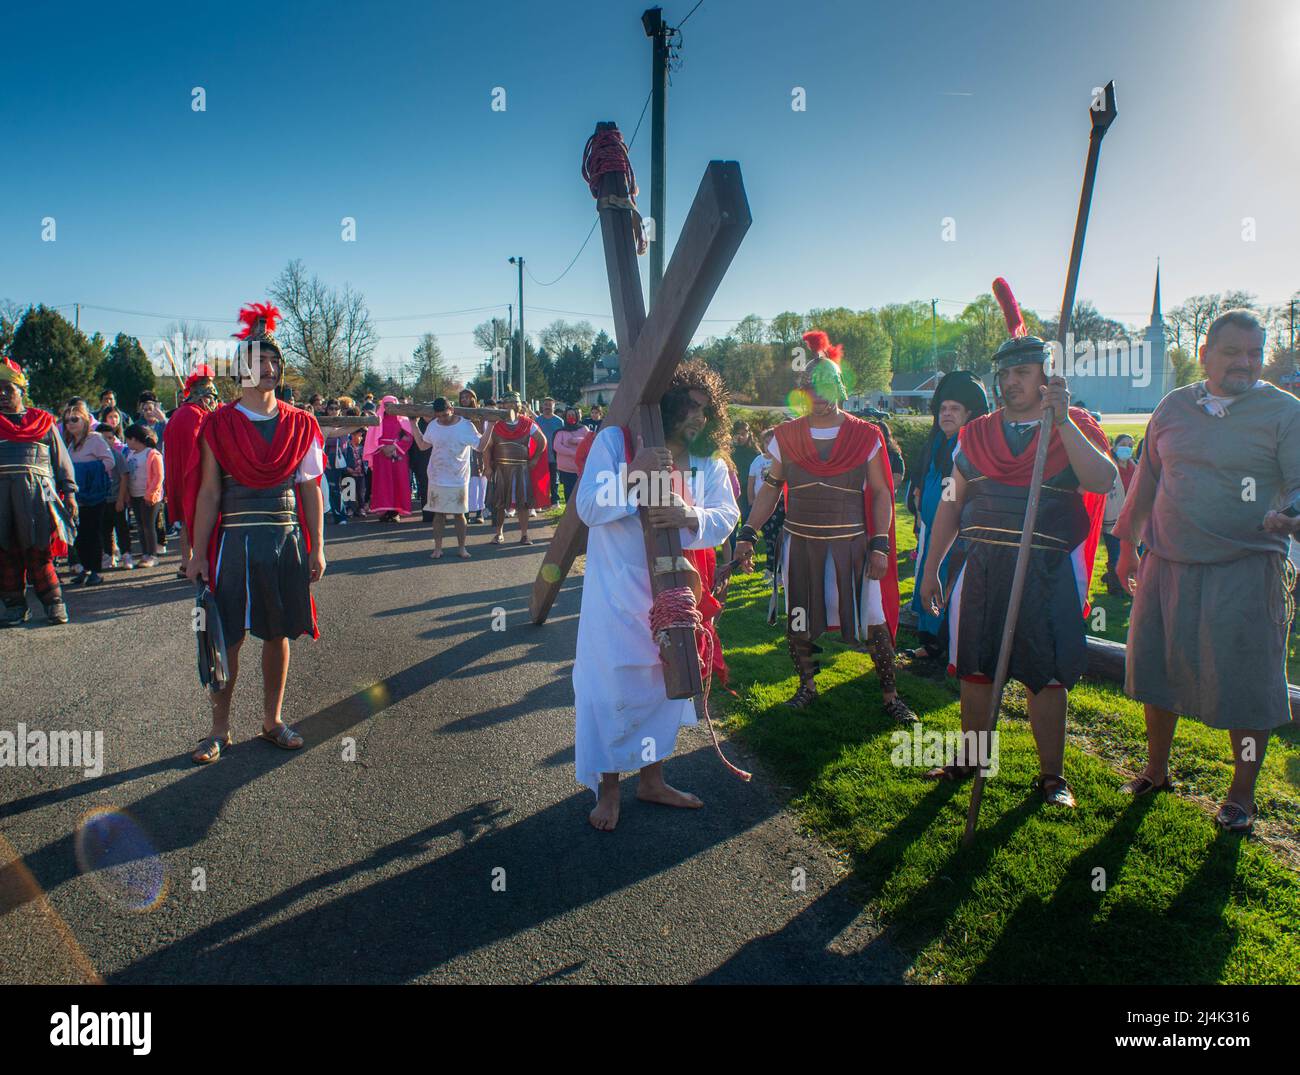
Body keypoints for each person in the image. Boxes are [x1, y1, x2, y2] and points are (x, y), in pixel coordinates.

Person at [919, 281, 1115, 807]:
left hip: (1045, 570)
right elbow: (951, 505)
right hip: (980, 565)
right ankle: (970, 758)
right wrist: (933, 566)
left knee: (1046, 677)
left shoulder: (1074, 428)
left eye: (1022, 372)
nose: (1010, 382)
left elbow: (1101, 480)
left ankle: (1053, 778)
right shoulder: (975, 435)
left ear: (1046, 377)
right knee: (975, 670)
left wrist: (1064, 419)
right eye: (1004, 373)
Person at [1114, 310, 1300, 832]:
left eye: (1255, 353)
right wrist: (1128, 545)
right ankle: (1156, 770)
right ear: (1204, 355)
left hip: (1246, 565)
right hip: (1167, 560)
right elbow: (1147, 479)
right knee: (1156, 668)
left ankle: (1241, 795)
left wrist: (1292, 515)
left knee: (1247, 683)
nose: (1246, 362)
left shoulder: (1284, 414)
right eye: (1232, 351)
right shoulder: (1174, 406)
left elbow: (1298, 485)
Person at [574, 360, 739, 831]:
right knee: (610, 686)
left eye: (707, 411)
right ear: (665, 405)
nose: (697, 418)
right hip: (613, 589)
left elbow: (725, 514)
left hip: (671, 589)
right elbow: (587, 507)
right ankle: (608, 789)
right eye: (689, 407)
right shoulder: (616, 442)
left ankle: (652, 779)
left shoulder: (707, 460)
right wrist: (634, 475)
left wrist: (688, 516)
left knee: (661, 682)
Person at [735, 331, 914, 722]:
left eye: (826, 383)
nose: (818, 392)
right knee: (799, 620)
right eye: (810, 385)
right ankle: (807, 687)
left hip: (853, 545)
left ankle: (890, 696)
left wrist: (881, 544)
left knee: (874, 620)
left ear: (839, 386)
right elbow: (771, 488)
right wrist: (747, 532)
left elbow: (882, 492)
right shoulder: (786, 437)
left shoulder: (866, 435)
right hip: (799, 544)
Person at [184, 302, 325, 764]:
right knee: (227, 638)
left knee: (278, 632)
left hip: (284, 541)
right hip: (234, 543)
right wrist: (197, 553)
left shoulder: (302, 424)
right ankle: (218, 731)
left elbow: (310, 491)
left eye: (273, 362)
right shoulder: (217, 424)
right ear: (239, 373)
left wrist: (317, 547)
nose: (268, 369)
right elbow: (208, 494)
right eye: (258, 363)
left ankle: (272, 721)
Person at [904, 371, 989, 660]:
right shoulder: (937, 443)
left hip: (959, 539)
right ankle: (930, 642)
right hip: (932, 532)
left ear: (969, 413)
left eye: (954, 409)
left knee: (951, 588)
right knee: (928, 579)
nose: (947, 414)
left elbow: (954, 496)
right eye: (943, 408)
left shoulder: (971, 447)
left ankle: (947, 645)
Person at [0, 357, 77, 625]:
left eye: (8, 389)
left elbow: (62, 462)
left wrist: (69, 493)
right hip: (1, 501)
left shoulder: (42, 423)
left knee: (39, 552)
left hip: (37, 500)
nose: (2, 395)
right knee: (5, 554)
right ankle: (14, 606)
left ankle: (54, 603)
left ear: (21, 391)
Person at [164, 365, 219, 577]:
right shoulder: (196, 416)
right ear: (204, 397)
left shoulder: (179, 415)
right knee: (198, 518)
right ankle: (199, 561)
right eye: (211, 397)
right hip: (196, 477)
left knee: (187, 520)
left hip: (181, 478)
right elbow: (203, 451)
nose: (214, 403)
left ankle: (185, 562)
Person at [410, 397, 481, 559]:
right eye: (439, 416)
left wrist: (491, 426)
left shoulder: (465, 426)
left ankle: (462, 548)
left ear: (452, 410)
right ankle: (438, 548)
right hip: (437, 476)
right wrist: (413, 424)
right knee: (439, 514)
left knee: (459, 514)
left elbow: (481, 446)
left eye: (445, 415)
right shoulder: (433, 425)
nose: (442, 418)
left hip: (458, 478)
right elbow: (422, 445)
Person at [479, 392, 549, 545]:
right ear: (502, 405)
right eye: (508, 403)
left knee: (523, 503)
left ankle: (524, 535)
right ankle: (499, 534)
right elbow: (486, 447)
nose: (511, 406)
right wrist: (488, 467)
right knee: (499, 503)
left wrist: (535, 459)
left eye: (513, 403)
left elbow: (542, 441)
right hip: (501, 468)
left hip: (520, 468)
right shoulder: (495, 424)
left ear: (518, 406)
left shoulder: (527, 423)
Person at [63, 399, 115, 587]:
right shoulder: (70, 443)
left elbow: (109, 461)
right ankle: (85, 568)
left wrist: (89, 471)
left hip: (94, 495)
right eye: (67, 420)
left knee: (92, 533)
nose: (70, 424)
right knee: (79, 534)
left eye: (75, 419)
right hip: (77, 495)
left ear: (85, 419)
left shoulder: (95, 439)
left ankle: (96, 571)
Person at [363, 396, 413, 521]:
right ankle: (385, 511)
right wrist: (383, 447)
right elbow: (372, 438)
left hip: (398, 454)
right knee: (383, 483)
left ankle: (396, 511)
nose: (389, 407)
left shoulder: (404, 420)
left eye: (392, 404)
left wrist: (394, 447)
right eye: (386, 404)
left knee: (398, 481)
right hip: (381, 455)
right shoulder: (377, 420)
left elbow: (408, 437)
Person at [1099, 433, 1137, 596]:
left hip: (1132, 519)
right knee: (1115, 554)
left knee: (1132, 553)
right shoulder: (1108, 465)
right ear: (1114, 447)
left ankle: (1121, 581)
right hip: (1113, 516)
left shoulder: (1134, 466)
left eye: (1130, 445)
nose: (1127, 448)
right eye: (1123, 444)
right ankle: (1116, 587)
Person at [123, 424, 164, 568]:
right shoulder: (130, 454)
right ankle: (145, 553)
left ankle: (153, 555)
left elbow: (158, 476)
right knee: (140, 526)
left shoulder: (152, 453)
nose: (126, 442)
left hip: (149, 496)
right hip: (135, 494)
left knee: (148, 525)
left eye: (127, 439)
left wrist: (151, 494)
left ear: (134, 439)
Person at [458, 389, 488, 522]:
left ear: (473, 398)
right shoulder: (457, 415)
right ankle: (465, 512)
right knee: (464, 482)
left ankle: (479, 512)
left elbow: (485, 434)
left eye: (467, 397)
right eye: (462, 397)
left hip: (478, 451)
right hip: (462, 451)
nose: (464, 399)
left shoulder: (480, 415)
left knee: (479, 482)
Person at [552, 407, 590, 504]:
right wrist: (573, 452)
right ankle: (569, 514)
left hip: (582, 468)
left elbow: (590, 441)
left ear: (577, 416)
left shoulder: (583, 429)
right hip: (566, 469)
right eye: (569, 415)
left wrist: (577, 441)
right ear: (565, 417)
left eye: (573, 415)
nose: (571, 417)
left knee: (582, 491)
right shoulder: (560, 432)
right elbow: (557, 446)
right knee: (568, 491)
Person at [534, 397, 565, 504]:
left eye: (549, 404)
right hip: (540, 454)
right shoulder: (537, 421)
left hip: (554, 455)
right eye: (545, 404)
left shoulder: (559, 421)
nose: (547, 406)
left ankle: (555, 500)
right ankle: (542, 501)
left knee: (554, 480)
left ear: (554, 406)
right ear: (542, 406)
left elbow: (563, 438)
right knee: (541, 480)